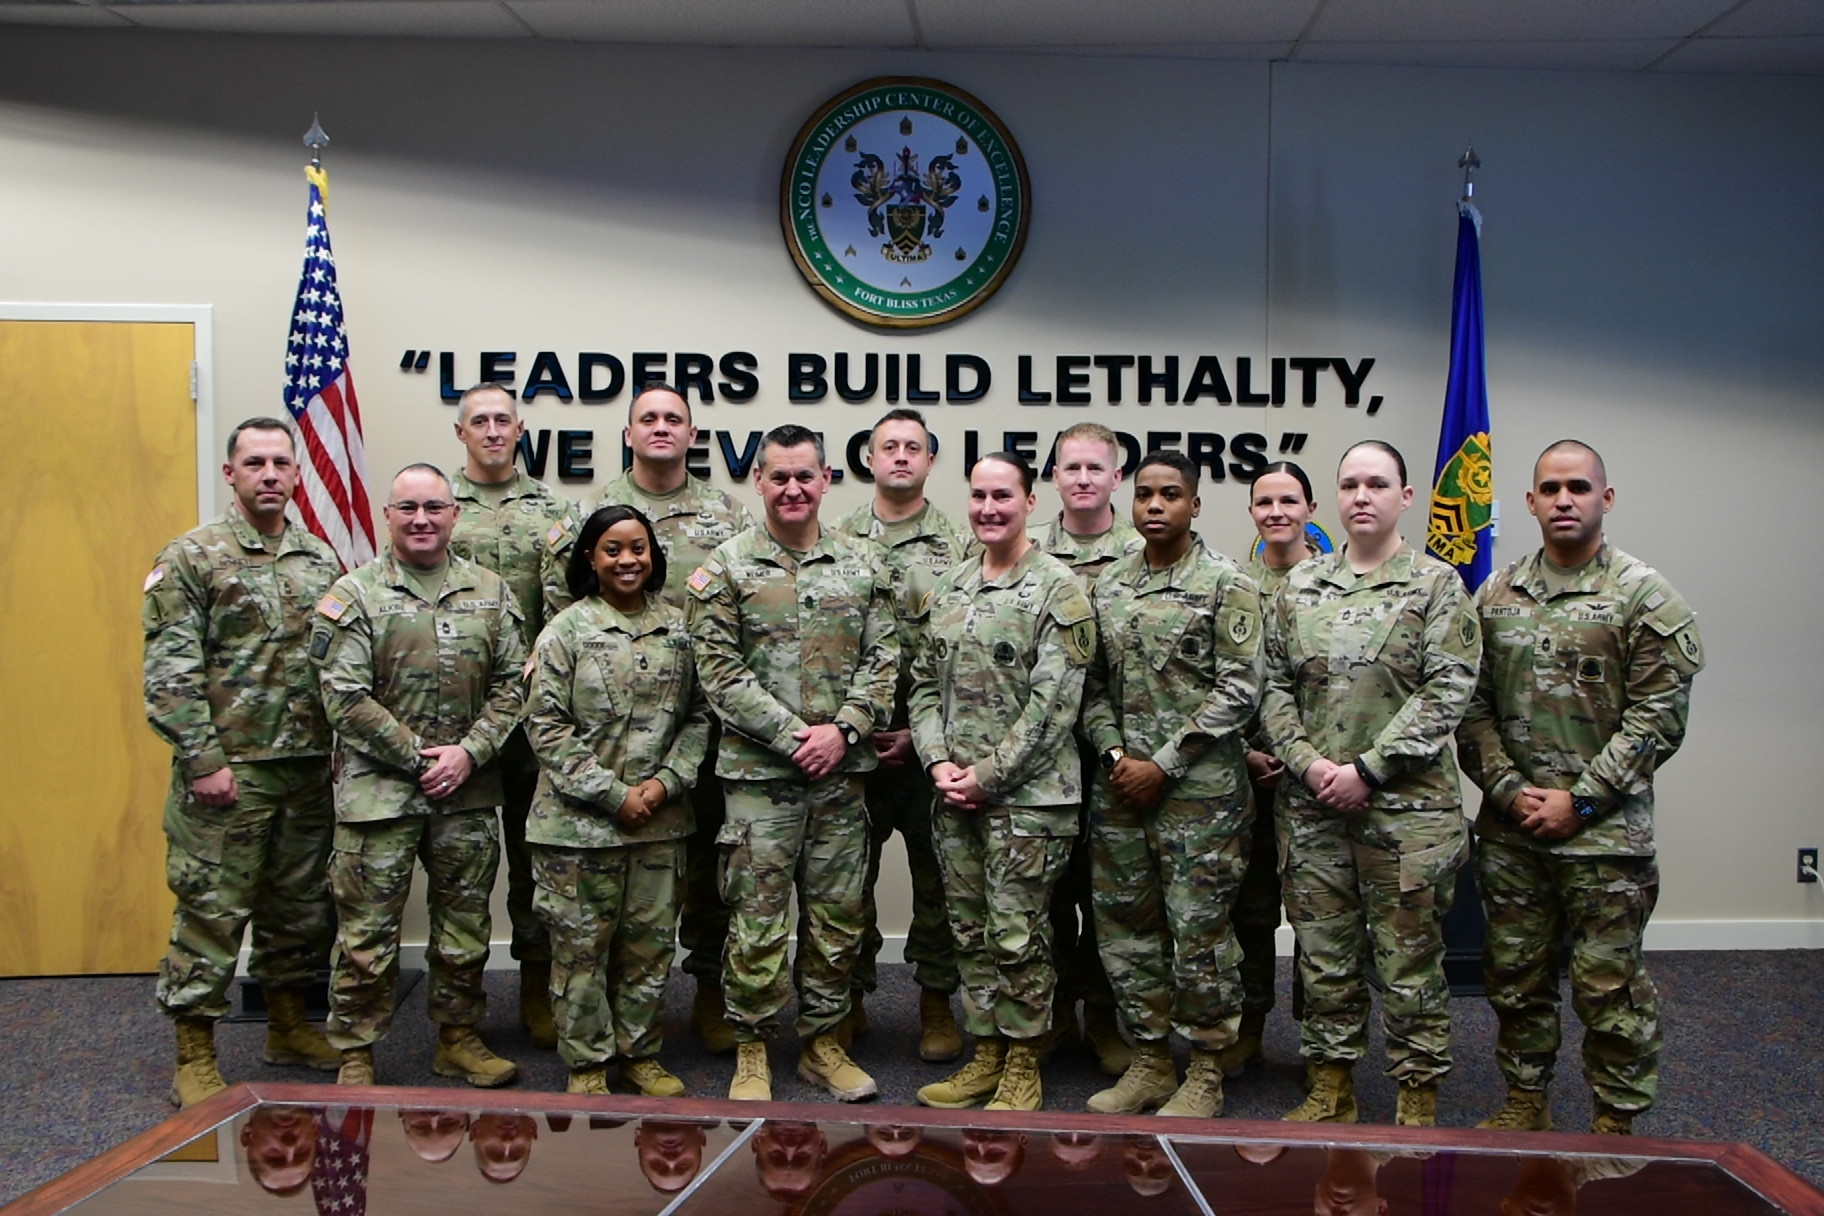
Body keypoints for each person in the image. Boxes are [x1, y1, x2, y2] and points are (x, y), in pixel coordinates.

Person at [1458, 440, 1703, 1136]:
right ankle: (1525, 1099)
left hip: (1605, 837)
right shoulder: (1494, 595)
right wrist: (1507, 789)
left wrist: (1583, 799)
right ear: (1530, 502)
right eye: (1550, 488)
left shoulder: (1644, 595)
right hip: (1513, 832)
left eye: (1578, 487)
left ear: (1606, 499)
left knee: (1608, 985)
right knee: (1514, 978)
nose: (1564, 500)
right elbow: (1469, 707)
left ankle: (1615, 1118)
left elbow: (1659, 717)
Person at [1259, 440, 1481, 1126]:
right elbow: (1268, 687)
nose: (1363, 496)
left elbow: (1450, 690)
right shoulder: (1301, 587)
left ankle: (1417, 1091)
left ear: (1404, 498)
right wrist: (1311, 765)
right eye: (1351, 483)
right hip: (1314, 807)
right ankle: (1330, 1084)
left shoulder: (1437, 585)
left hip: (1407, 817)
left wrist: (1368, 770)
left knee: (1409, 961)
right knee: (1323, 956)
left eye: (1378, 484)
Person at [685, 424, 896, 1101]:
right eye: (779, 476)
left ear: (828, 480)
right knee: (756, 916)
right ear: (759, 481)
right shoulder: (723, 567)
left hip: (841, 775)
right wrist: (793, 735)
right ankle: (752, 1045)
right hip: (758, 779)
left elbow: (886, 658)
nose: (793, 488)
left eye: (805, 475)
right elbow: (717, 670)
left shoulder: (865, 564)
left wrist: (843, 730)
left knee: (837, 918)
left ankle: (824, 1044)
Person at [142, 417, 346, 1106]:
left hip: (307, 765)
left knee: (300, 909)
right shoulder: (193, 557)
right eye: (253, 462)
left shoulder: (319, 559)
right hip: (233, 768)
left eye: (280, 463)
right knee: (213, 908)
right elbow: (170, 671)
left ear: (295, 474)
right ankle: (194, 1049)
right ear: (230, 473)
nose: (268, 474)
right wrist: (203, 761)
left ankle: (288, 1025)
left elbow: (338, 665)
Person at [311, 463, 528, 1087]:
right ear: (388, 515)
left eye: (434, 507)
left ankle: (458, 1037)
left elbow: (516, 684)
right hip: (378, 792)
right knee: (365, 931)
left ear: (454, 513)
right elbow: (344, 697)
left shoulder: (491, 590)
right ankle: (355, 1050)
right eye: (407, 508)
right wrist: (418, 757)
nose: (422, 519)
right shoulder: (353, 594)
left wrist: (468, 753)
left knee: (464, 926)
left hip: (466, 786)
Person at [563, 382, 756, 1056]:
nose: (661, 427)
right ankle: (596, 1015)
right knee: (602, 884)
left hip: (701, 723)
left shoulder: (728, 517)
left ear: (693, 433)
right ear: (628, 433)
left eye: (674, 417)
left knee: (709, 875)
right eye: (648, 417)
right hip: (608, 733)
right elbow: (555, 609)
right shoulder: (589, 511)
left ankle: (709, 994)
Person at [909, 452, 1097, 1112]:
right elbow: (923, 685)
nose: (989, 508)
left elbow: (1054, 706)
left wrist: (987, 777)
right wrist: (937, 763)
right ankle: (985, 1052)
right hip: (954, 795)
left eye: (1003, 496)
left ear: (1030, 503)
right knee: (969, 933)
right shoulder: (953, 586)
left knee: (1018, 934)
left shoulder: (1059, 590)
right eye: (979, 496)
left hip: (1030, 801)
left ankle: (1024, 1060)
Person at [1081, 451, 1265, 1118]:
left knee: (1200, 933)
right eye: (1145, 495)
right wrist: (1112, 754)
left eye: (1171, 495)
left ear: (1194, 505)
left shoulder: (1225, 584)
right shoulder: (1108, 587)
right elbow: (1092, 686)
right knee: (1128, 930)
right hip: (1121, 792)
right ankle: (1152, 1060)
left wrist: (1165, 762)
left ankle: (1208, 1067)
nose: (1155, 506)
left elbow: (1240, 690)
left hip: (1200, 798)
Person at [524, 505, 709, 1097]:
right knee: (580, 953)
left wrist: (664, 785)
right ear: (590, 558)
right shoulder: (566, 631)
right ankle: (585, 1065)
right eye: (612, 549)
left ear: (653, 555)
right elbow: (545, 726)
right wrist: (612, 795)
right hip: (577, 829)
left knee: (649, 950)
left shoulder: (681, 628)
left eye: (637, 548)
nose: (626, 560)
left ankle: (641, 1053)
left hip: (660, 822)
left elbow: (701, 717)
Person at [831, 407, 970, 1064]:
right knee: (845, 881)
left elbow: (964, 653)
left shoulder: (960, 545)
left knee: (938, 878)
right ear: (869, 458)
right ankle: (850, 997)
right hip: (853, 746)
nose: (900, 457)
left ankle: (937, 1002)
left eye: (913, 447)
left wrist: (922, 732)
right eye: (889, 446)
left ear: (930, 460)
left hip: (930, 748)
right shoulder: (836, 539)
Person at [445, 381, 578, 1048]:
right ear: (461, 432)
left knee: (538, 859)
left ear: (520, 430)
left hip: (534, 716)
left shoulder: (555, 512)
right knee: (462, 866)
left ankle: (537, 989)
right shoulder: (438, 508)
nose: (493, 431)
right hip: (457, 717)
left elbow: (569, 607)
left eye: (503, 421)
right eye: (480, 421)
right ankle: (458, 1014)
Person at [1033, 421, 1140, 1076]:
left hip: (1114, 759)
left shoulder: (1144, 551)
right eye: (1070, 468)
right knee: (1041, 896)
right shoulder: (1024, 552)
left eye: (1095, 469)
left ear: (1115, 478)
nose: (1082, 479)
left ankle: (1103, 1016)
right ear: (1053, 478)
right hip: (1039, 758)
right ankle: (1047, 1018)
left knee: (1107, 897)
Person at [1229, 461, 1324, 1072]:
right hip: (1247, 776)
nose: (1276, 512)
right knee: (1252, 908)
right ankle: (1251, 1023)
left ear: (1311, 510)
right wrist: (1243, 750)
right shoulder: (1234, 585)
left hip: (1318, 778)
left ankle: (1323, 1045)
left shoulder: (1337, 585)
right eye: (1265, 502)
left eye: (1289, 500)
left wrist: (1302, 759)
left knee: (1321, 916)